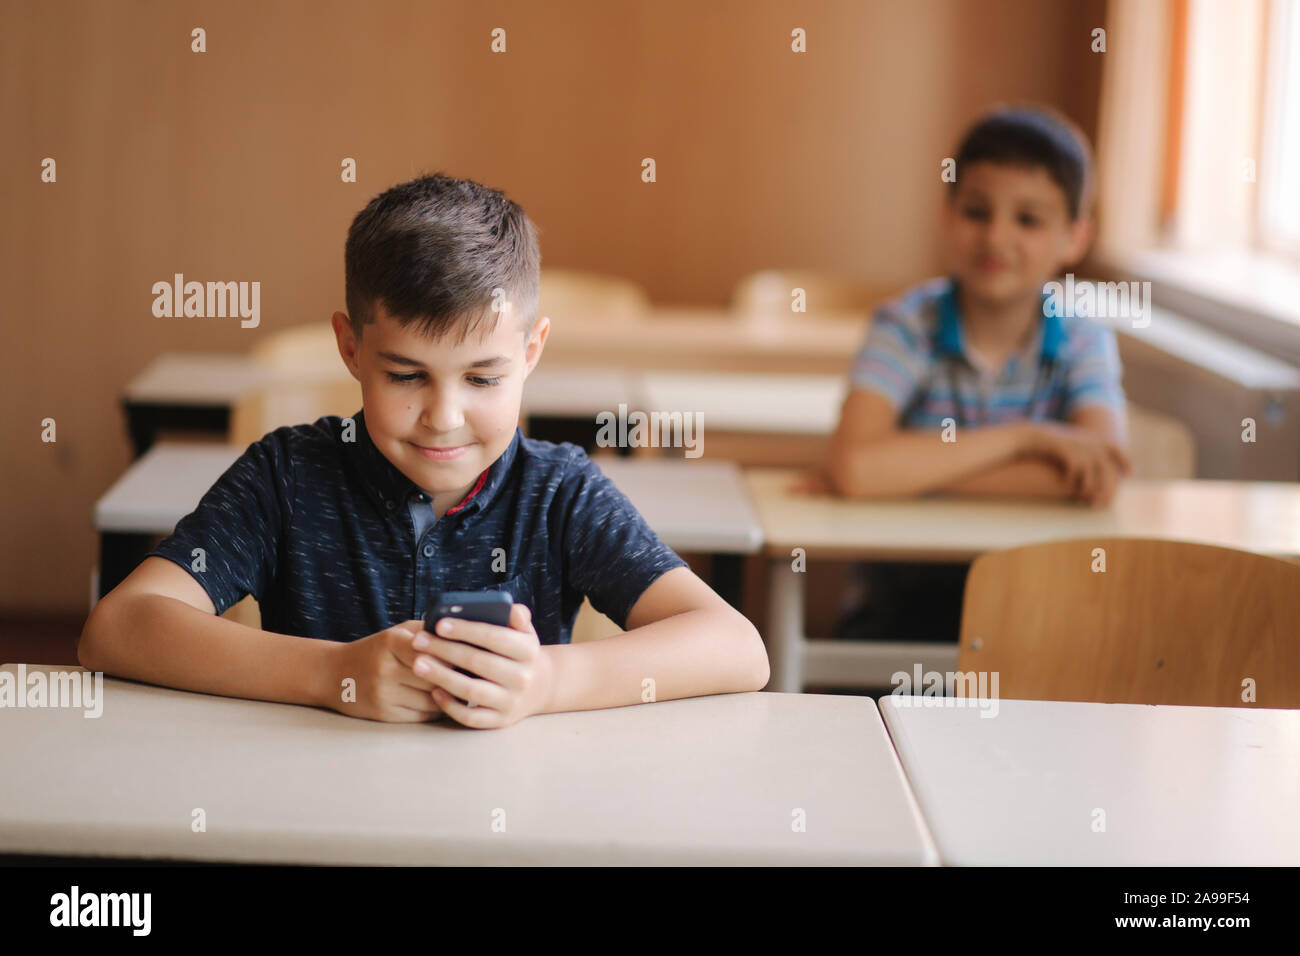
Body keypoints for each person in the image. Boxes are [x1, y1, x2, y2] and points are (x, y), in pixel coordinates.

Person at [79, 173, 769, 726]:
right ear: (351, 347)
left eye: (484, 378)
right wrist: (334, 675)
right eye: (406, 376)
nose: (443, 417)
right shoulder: (286, 476)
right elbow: (119, 628)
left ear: (531, 354)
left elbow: (737, 647)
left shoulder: (558, 492)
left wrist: (548, 682)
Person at [822, 106, 1131, 643]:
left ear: (1075, 238)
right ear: (946, 214)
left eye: (1028, 220)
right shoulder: (906, 326)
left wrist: (910, 471)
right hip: (901, 608)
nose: (996, 237)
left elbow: (1100, 472)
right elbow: (855, 468)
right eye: (976, 211)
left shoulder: (1084, 336)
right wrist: (1030, 440)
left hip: (1044, 610)